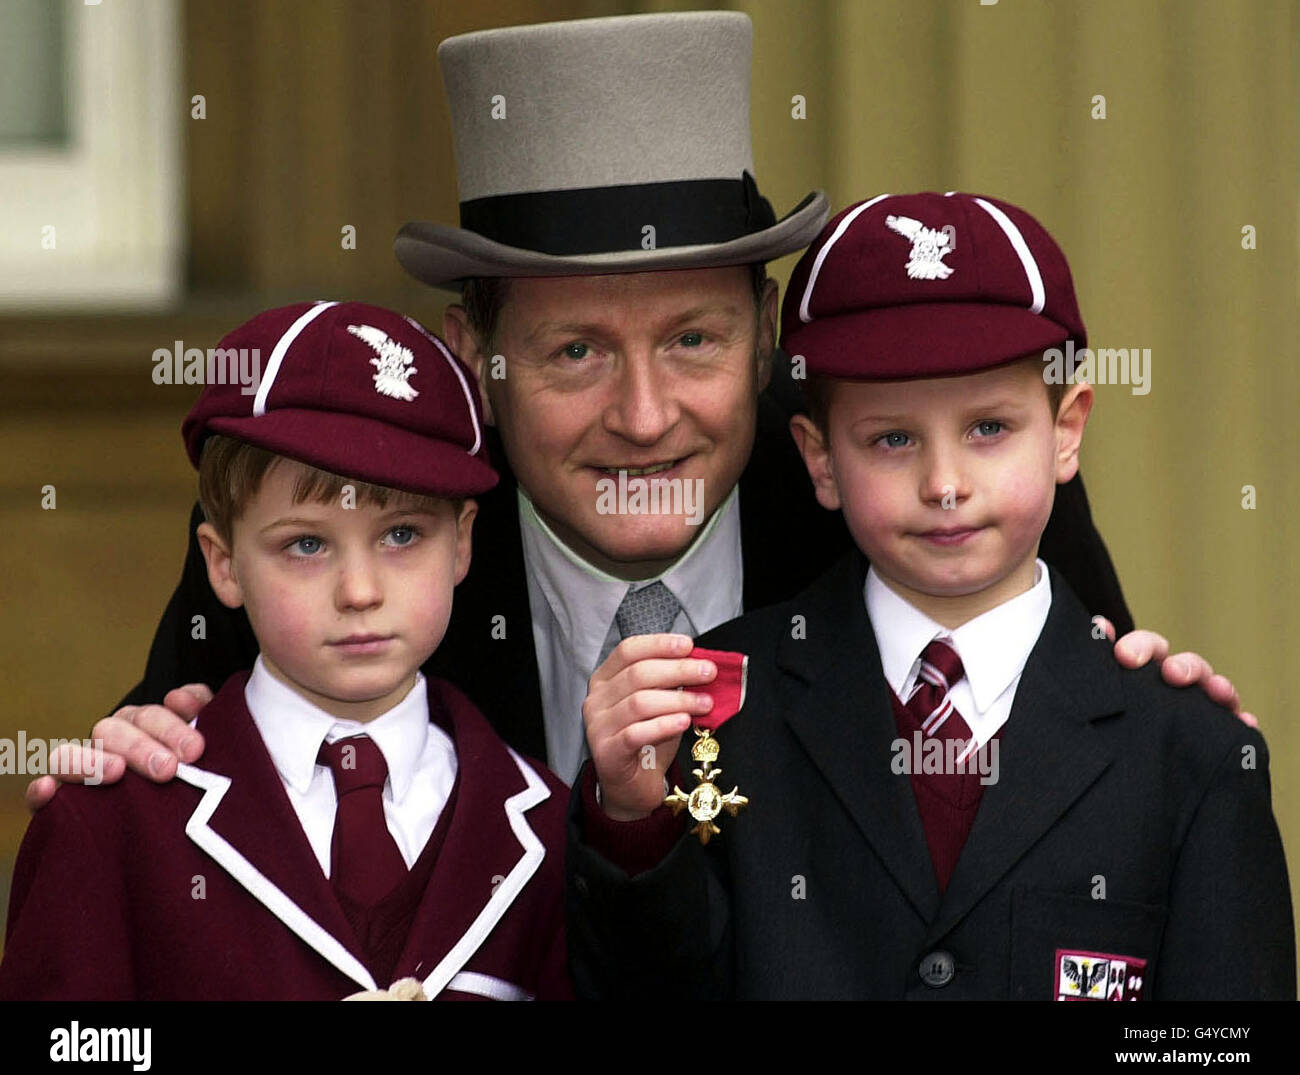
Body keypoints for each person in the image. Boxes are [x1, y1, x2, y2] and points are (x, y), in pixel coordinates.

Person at [27, 12, 1244, 809]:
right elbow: (187, 781)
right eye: (574, 353)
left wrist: (1164, 717)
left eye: (693, 341)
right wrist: (138, 766)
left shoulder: (900, 489)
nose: (647, 417)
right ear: (476, 356)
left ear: (765, 337)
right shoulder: (364, 515)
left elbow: (1095, 763)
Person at [568, 193, 1294, 1000]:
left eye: (989, 428)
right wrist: (631, 824)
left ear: (1067, 429)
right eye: (893, 438)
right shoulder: (712, 713)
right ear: (819, 459)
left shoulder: (1189, 750)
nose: (945, 484)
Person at [0, 302, 570, 1000]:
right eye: (306, 544)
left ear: (463, 543)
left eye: (401, 535)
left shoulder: (549, 827)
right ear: (223, 564)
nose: (359, 591)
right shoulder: (107, 825)